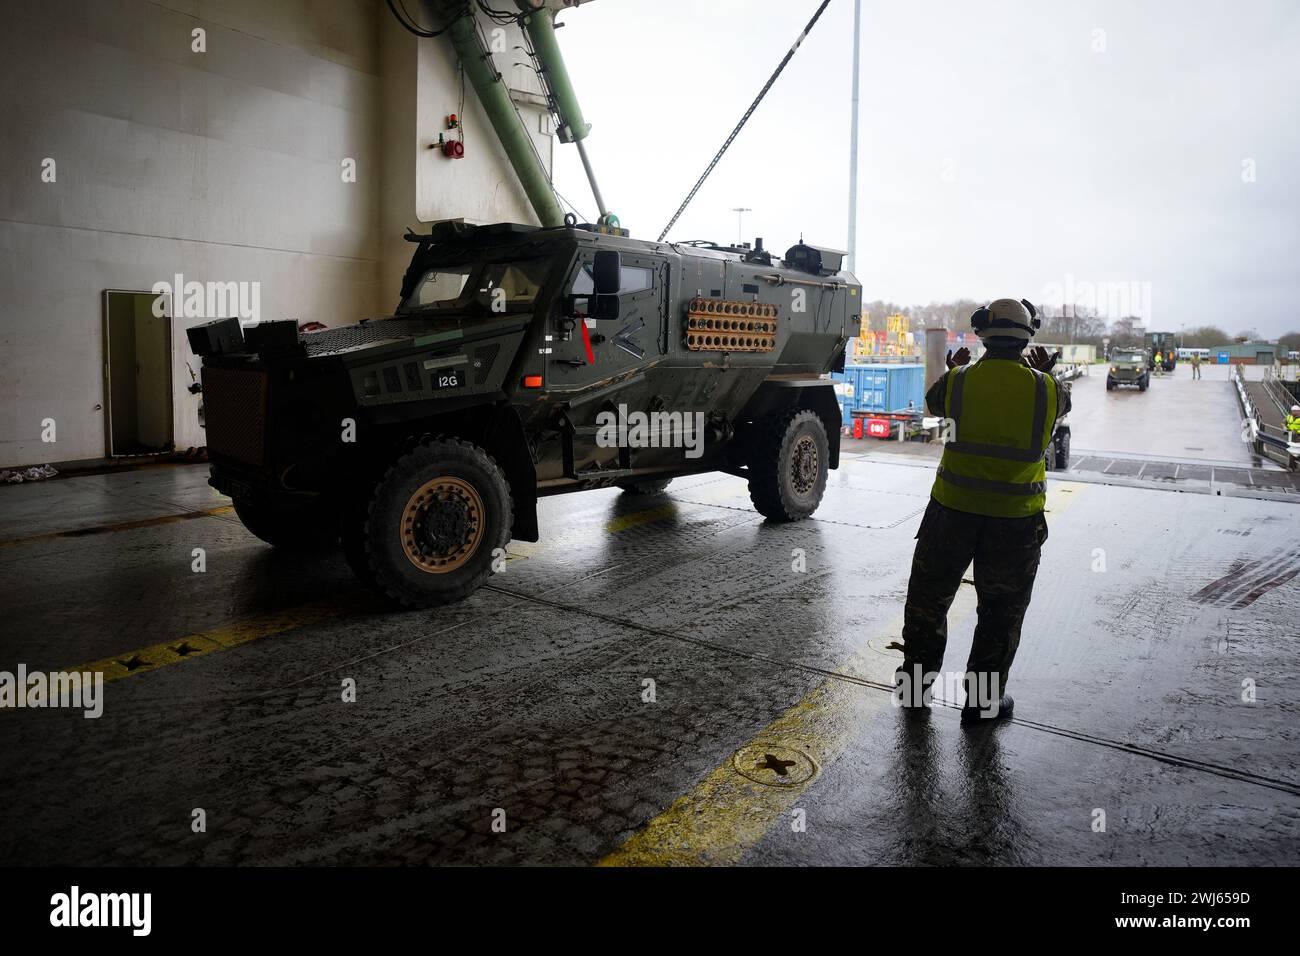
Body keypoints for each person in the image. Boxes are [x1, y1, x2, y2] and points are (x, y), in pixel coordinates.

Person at [894, 298, 1071, 724]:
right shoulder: (1049, 390)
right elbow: (1058, 407)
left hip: (951, 513)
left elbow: (935, 403)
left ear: (982, 335)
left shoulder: (957, 383)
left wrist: (955, 367)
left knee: (927, 605)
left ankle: (914, 692)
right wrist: (1042, 373)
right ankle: (983, 703)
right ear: (1028, 338)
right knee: (1000, 613)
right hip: (1016, 522)